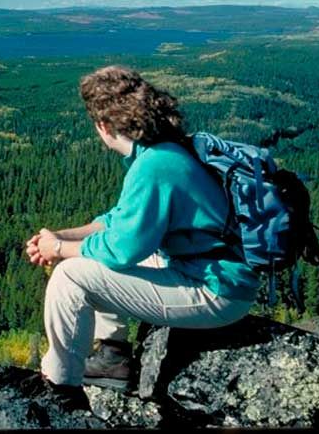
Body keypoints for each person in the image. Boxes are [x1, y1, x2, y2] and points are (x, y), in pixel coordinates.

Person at [24, 65, 258, 398]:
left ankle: (59, 386)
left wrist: (59, 249)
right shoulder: (164, 150)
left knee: (70, 276)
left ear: (104, 126)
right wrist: (60, 238)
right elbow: (117, 222)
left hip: (217, 290)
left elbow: (122, 249)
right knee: (89, 256)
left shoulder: (154, 166)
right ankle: (112, 357)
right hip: (214, 273)